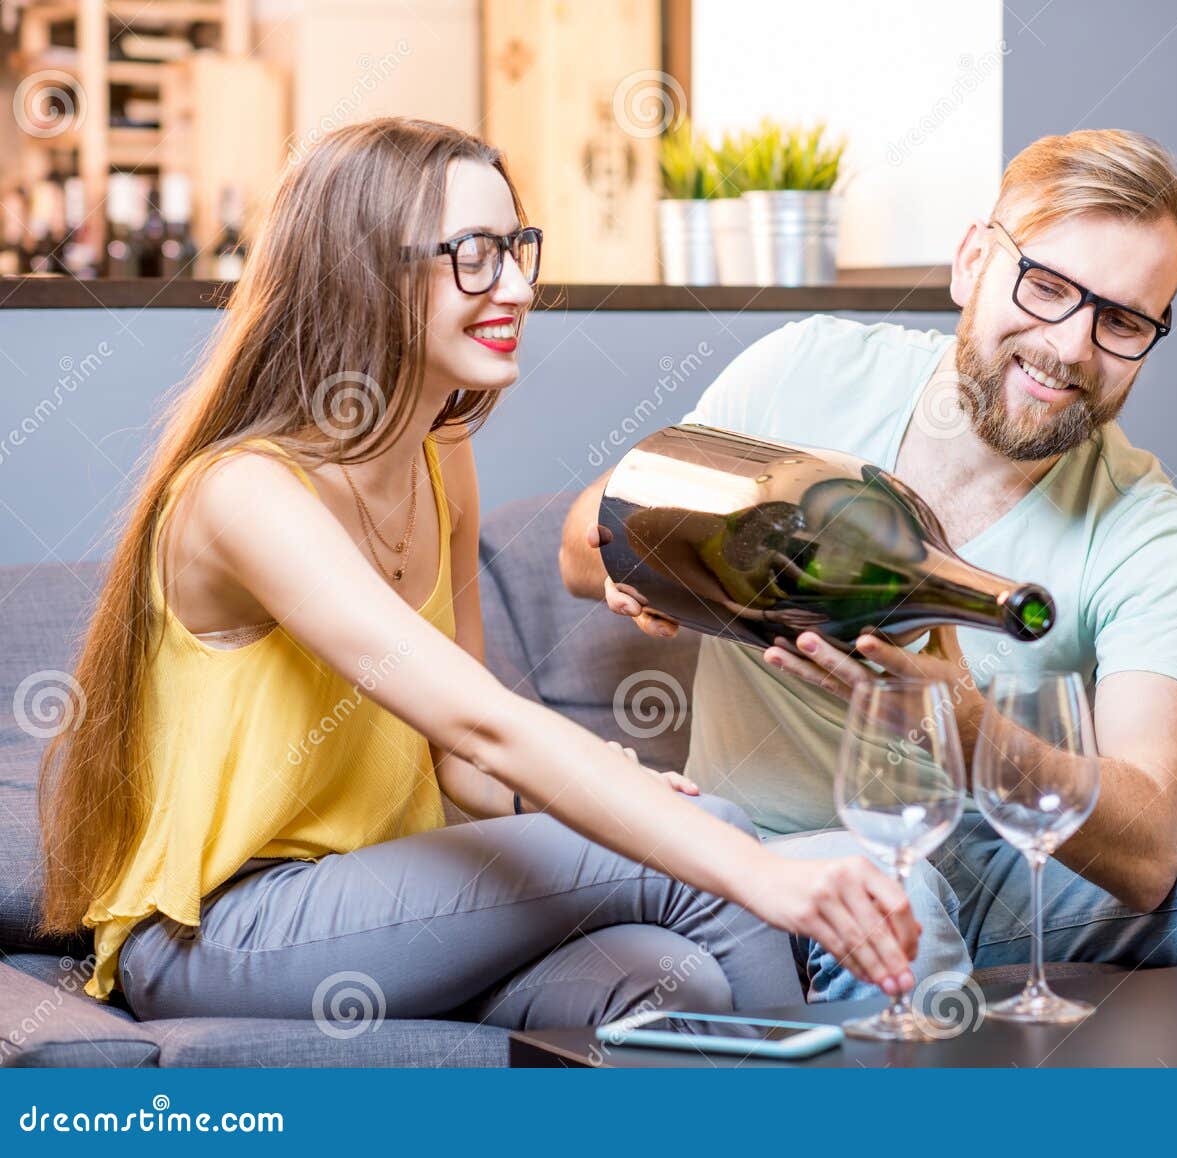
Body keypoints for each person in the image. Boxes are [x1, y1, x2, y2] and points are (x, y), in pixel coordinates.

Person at [35, 117, 920, 1030]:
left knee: (667, 978)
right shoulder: (243, 495)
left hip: (379, 909)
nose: (520, 286)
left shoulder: (438, 447)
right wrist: (761, 873)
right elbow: (480, 721)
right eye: (475, 255)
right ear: (362, 270)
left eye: (517, 248)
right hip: (222, 930)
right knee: (721, 846)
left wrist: (599, 792)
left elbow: (458, 761)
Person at [561, 130, 1177, 1000]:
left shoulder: (1146, 527)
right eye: (1046, 286)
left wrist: (963, 724)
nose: (1070, 348)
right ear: (974, 261)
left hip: (994, 857)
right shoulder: (807, 374)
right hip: (778, 844)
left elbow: (1152, 846)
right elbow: (582, 541)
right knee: (895, 894)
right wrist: (662, 578)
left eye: (1120, 321)